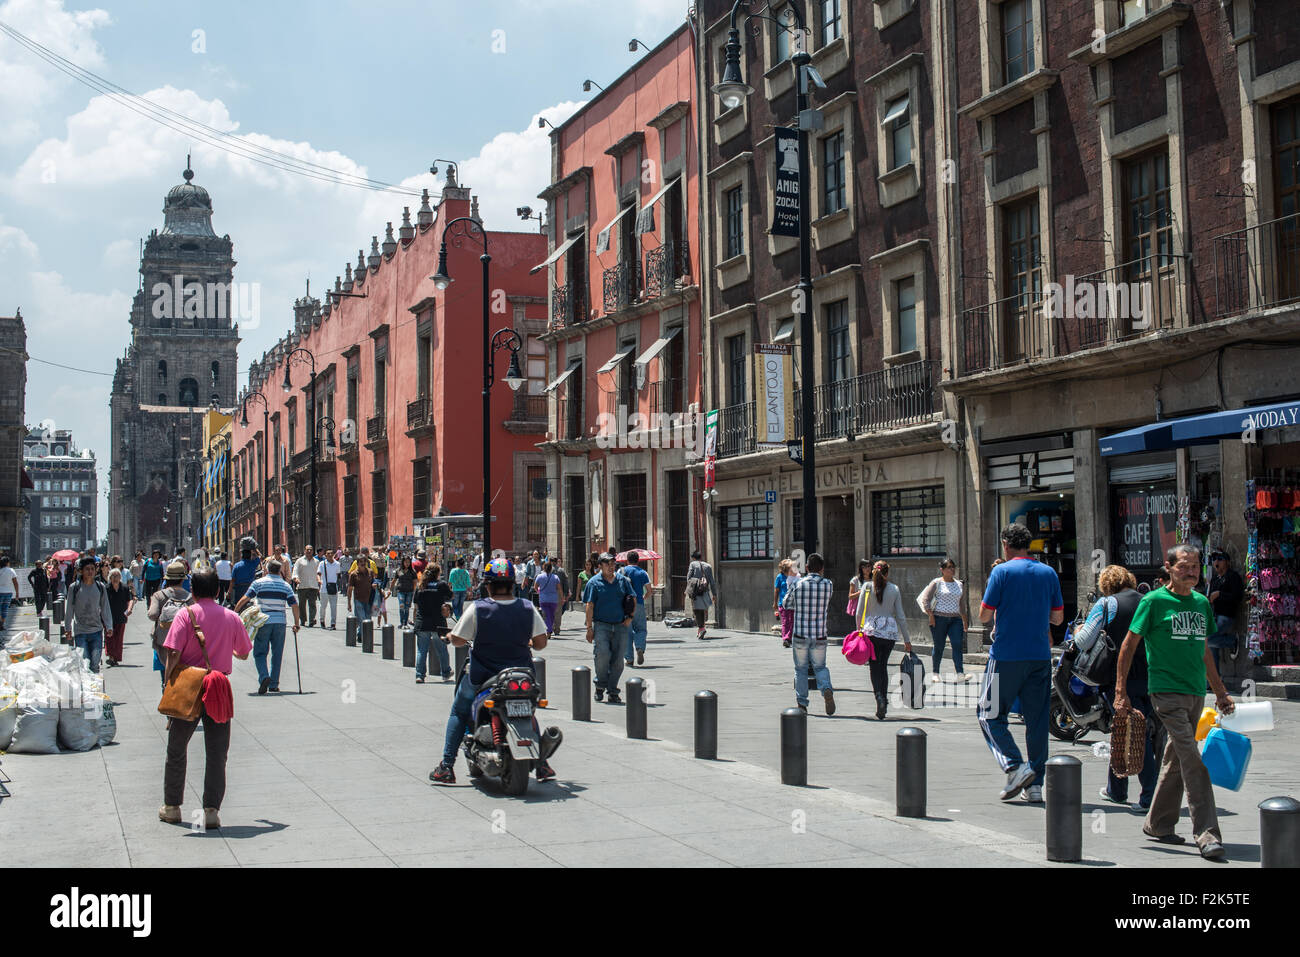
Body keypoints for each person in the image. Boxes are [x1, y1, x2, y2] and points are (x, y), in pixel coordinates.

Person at [1115, 544, 1234, 861]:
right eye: (1185, 565)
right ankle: (1207, 833)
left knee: (1175, 758)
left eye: (1196, 565)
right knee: (1192, 758)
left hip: (1195, 692)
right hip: (1165, 692)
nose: (1192, 571)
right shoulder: (1153, 602)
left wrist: (1220, 692)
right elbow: (1128, 645)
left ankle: (1158, 823)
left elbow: (1204, 650)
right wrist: (1120, 691)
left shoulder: (1200, 603)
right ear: (1168, 567)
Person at [429, 558, 554, 785]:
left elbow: (458, 639)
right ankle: (542, 763)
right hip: (521, 675)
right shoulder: (527, 607)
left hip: (483, 676)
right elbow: (541, 642)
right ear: (512, 584)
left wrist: (449, 636)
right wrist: (529, 643)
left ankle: (446, 765)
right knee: (528, 709)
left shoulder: (479, 608)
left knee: (459, 710)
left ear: (488, 585)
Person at [159, 568, 252, 830]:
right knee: (217, 751)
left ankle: (172, 807)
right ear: (219, 590)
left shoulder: (184, 615)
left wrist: (169, 684)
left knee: (177, 748)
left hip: (188, 685)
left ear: (193, 591)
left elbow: (173, 654)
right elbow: (244, 653)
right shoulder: (232, 617)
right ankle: (211, 811)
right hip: (218, 684)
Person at [977, 523, 1064, 804]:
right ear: (1028, 544)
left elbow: (983, 615)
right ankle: (1035, 784)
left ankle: (1015, 766)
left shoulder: (1001, 571)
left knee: (988, 713)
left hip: (1006, 655)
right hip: (1039, 655)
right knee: (1037, 721)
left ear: (1005, 544)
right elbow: (1058, 618)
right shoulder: (1048, 572)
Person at [1085, 565, 1156, 810]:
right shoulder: (1148, 600)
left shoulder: (1107, 604)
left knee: (1136, 734)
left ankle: (1149, 797)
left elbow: (1085, 639)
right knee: (1124, 731)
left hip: (1122, 679)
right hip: (1152, 676)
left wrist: (1075, 632)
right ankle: (1116, 790)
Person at [854, 560, 911, 719]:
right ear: (887, 574)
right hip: (889, 633)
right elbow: (900, 616)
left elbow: (859, 613)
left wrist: (858, 631)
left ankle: (879, 698)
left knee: (874, 667)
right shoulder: (895, 589)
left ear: (873, 572)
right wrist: (907, 640)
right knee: (883, 666)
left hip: (871, 631)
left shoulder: (866, 587)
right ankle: (883, 698)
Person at [235, 559, 300, 695]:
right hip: (280, 622)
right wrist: (296, 623)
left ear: (267, 569)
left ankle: (264, 676)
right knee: (277, 653)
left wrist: (235, 612)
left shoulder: (258, 583)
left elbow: (245, 598)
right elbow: (294, 605)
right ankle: (274, 684)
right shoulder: (285, 586)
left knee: (260, 652)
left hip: (263, 620)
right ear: (280, 571)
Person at [782, 551, 835, 715]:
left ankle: (802, 703)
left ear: (806, 567)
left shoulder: (798, 584)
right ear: (822, 569)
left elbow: (786, 604)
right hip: (819, 634)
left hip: (800, 634)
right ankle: (826, 688)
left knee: (801, 669)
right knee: (820, 666)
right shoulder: (828, 584)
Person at [583, 552, 634, 703]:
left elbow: (632, 598)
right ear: (599, 566)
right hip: (601, 626)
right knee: (602, 655)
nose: (611, 567)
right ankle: (600, 685)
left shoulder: (623, 581)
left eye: (613, 564)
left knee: (618, 661)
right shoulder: (594, 582)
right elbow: (589, 605)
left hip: (620, 625)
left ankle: (612, 690)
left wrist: (630, 617)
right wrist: (589, 628)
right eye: (607, 564)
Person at [917, 558, 970, 683]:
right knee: (939, 646)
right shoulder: (937, 583)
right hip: (939, 618)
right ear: (942, 570)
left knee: (957, 645)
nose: (952, 570)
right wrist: (930, 615)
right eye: (949, 567)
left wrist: (964, 619)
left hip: (955, 619)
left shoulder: (959, 584)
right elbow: (925, 599)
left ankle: (960, 673)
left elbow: (961, 603)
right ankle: (935, 672)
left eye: (953, 567)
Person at [148, 562, 194, 690]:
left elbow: (152, 614)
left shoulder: (159, 595)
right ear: (182, 579)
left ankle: (166, 691)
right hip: (184, 646)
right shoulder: (189, 597)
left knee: (165, 676)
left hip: (163, 643)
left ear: (167, 578)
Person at [64, 556, 113, 673]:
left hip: (96, 631)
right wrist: (67, 628)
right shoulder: (74, 588)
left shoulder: (100, 587)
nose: (90, 572)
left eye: (92, 569)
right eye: (87, 569)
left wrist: (109, 626)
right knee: (85, 664)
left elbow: (105, 608)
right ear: (81, 571)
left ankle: (95, 689)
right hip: (80, 632)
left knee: (95, 664)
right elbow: (69, 609)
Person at [412, 564, 454, 683]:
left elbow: (415, 603)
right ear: (437, 573)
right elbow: (451, 596)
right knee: (442, 649)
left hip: (422, 622)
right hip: (438, 623)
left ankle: (420, 675)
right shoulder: (441, 585)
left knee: (421, 650)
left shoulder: (421, 585)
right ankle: (445, 673)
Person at [1204, 551, 1243, 673]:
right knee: (1211, 648)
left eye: (1220, 559)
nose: (1216, 562)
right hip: (1214, 615)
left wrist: (1220, 594)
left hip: (1226, 615)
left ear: (1227, 562)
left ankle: (1231, 641)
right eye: (1214, 559)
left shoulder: (1233, 576)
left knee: (1208, 640)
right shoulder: (1215, 579)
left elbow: (1237, 596)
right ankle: (1214, 681)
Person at [618, 552, 653, 666]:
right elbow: (649, 590)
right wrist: (643, 598)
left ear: (627, 560)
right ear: (638, 560)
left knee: (626, 632)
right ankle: (639, 647)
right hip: (638, 604)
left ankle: (629, 659)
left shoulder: (621, 571)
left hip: (624, 605)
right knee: (641, 629)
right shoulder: (643, 573)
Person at [104, 567, 136, 667]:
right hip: (108, 616)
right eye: (113, 576)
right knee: (109, 637)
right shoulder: (106, 588)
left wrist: (130, 609)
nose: (115, 578)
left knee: (118, 638)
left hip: (121, 616)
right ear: (110, 577)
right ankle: (111, 656)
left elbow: (130, 599)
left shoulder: (125, 588)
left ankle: (115, 657)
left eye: (117, 576)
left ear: (120, 577)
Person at [687, 550, 717, 640]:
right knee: (702, 610)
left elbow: (688, 577)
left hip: (696, 591)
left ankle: (701, 628)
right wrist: (714, 594)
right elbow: (712, 581)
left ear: (693, 557)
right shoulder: (708, 566)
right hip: (705, 591)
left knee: (696, 611)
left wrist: (689, 589)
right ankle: (700, 629)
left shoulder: (693, 564)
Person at [291, 545, 321, 628]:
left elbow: (318, 573)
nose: (309, 551)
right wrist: (295, 578)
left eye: (311, 550)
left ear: (312, 551)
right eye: (307, 550)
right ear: (304, 551)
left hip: (313, 586)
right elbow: (295, 571)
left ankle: (311, 620)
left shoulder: (316, 561)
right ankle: (303, 620)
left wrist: (319, 581)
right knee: (302, 605)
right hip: (302, 586)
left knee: (312, 604)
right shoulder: (299, 561)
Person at [534, 560, 563, 640]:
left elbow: (535, 587)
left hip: (543, 599)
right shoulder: (555, 577)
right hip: (553, 599)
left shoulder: (539, 576)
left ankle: (548, 630)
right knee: (551, 615)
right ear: (551, 569)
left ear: (543, 568)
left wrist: (539, 591)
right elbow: (560, 589)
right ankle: (549, 630)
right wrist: (562, 598)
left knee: (546, 615)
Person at [773, 559, 797, 649]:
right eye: (791, 566)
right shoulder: (780, 577)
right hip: (783, 604)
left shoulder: (795, 576)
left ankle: (789, 638)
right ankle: (786, 639)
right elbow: (776, 590)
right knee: (786, 621)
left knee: (792, 621)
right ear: (786, 568)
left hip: (794, 603)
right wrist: (775, 603)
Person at [227, 543, 259, 608]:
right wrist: (255, 550)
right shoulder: (253, 564)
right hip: (250, 589)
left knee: (238, 606)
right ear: (250, 555)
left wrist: (229, 592)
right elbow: (259, 557)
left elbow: (232, 581)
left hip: (238, 590)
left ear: (242, 555)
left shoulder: (236, 566)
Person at [347, 556, 376, 623]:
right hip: (358, 599)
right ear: (357, 564)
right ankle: (363, 632)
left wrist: (375, 584)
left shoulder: (370, 572)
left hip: (368, 599)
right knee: (362, 619)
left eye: (364, 561)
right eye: (361, 562)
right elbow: (350, 589)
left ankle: (361, 633)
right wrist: (349, 603)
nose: (363, 563)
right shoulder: (353, 574)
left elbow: (374, 581)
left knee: (368, 619)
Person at [319, 548, 343, 629]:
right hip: (324, 588)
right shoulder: (322, 564)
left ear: (334, 554)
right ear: (325, 555)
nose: (330, 555)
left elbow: (338, 575)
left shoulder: (337, 564)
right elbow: (318, 573)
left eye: (331, 553)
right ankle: (322, 620)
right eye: (328, 553)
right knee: (323, 606)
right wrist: (319, 581)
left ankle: (333, 623)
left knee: (333, 607)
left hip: (333, 588)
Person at [394, 555, 418, 628]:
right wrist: (390, 589)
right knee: (401, 606)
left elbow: (415, 582)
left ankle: (405, 623)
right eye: (405, 562)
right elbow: (394, 580)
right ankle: (402, 622)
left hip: (409, 592)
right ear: (402, 562)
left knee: (407, 608)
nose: (407, 563)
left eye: (408, 562)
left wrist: (414, 591)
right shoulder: (398, 570)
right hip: (400, 591)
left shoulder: (412, 571)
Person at [553, 556, 570, 633]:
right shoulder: (561, 570)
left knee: (550, 610)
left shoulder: (546, 570)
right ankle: (557, 628)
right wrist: (566, 593)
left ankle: (552, 626)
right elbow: (565, 583)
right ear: (557, 562)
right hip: (559, 592)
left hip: (549, 593)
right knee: (558, 611)